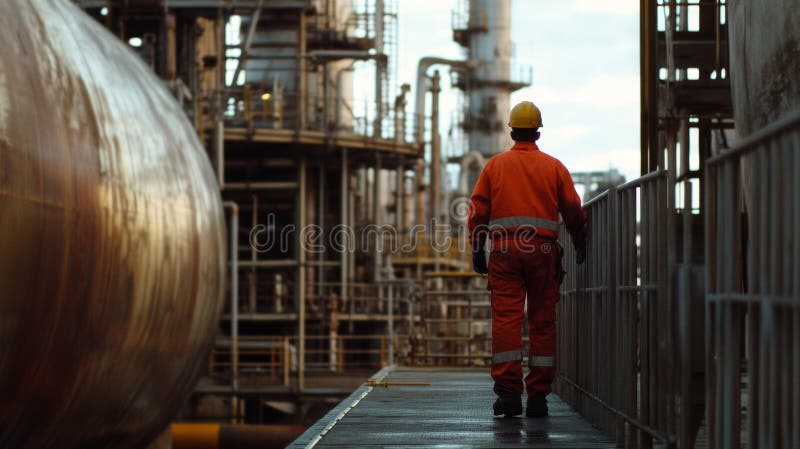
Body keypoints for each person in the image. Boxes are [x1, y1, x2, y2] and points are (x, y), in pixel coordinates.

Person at [468, 101, 588, 418]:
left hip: (505, 252)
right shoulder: (554, 167)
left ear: (512, 130)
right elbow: (573, 208)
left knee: (506, 321)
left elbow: (478, 209)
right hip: (543, 252)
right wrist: (579, 239)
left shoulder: (494, 166)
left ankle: (508, 396)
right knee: (542, 322)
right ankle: (537, 397)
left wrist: (477, 246)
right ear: (537, 131)